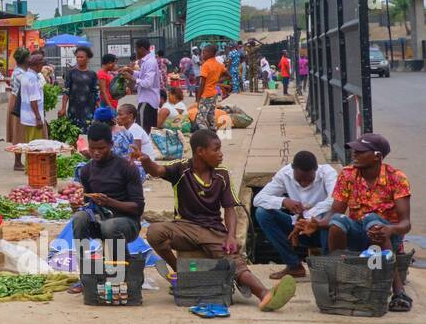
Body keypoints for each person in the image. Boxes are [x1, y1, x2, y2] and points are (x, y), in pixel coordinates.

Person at [136, 131, 296, 312]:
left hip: (213, 230)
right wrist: (145, 160)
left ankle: (264, 294)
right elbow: (157, 171)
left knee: (234, 261)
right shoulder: (181, 169)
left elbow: (229, 209)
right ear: (200, 152)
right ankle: (178, 271)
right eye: (216, 149)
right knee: (154, 232)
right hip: (184, 226)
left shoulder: (222, 174)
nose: (221, 154)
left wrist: (231, 237)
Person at [319, 133, 412, 312]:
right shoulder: (348, 174)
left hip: (386, 237)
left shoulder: (397, 178)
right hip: (359, 234)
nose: (354, 154)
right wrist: (316, 222)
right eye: (354, 150)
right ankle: (342, 283)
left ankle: (398, 291)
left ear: (377, 156)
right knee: (337, 222)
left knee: (372, 220)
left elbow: (406, 223)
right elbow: (335, 212)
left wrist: (390, 229)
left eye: (361, 151)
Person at [66, 122, 146, 293]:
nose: (96, 152)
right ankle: (87, 276)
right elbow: (89, 203)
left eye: (101, 148)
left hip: (127, 222)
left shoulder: (127, 168)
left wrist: (109, 202)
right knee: (79, 219)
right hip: (100, 218)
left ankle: (121, 273)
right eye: (93, 147)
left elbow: (138, 208)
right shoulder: (86, 170)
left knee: (110, 226)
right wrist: (78, 205)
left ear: (111, 145)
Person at [253, 150, 337, 280]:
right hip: (297, 229)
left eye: (308, 180)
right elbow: (258, 199)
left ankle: (328, 269)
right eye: (300, 180)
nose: (304, 184)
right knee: (262, 213)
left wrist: (307, 218)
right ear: (293, 170)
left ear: (316, 170)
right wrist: (283, 201)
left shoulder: (328, 173)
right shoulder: (285, 174)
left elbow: (334, 201)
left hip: (322, 229)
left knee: (330, 214)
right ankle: (293, 266)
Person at [59, 46, 99, 131]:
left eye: (81, 57)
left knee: (88, 132)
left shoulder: (92, 74)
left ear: (88, 59)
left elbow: (95, 93)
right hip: (74, 109)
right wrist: (63, 108)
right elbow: (66, 91)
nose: (79, 59)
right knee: (73, 133)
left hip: (89, 109)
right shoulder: (71, 73)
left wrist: (98, 109)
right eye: (77, 57)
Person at [193, 43, 231, 132]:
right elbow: (228, 76)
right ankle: (213, 131)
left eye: (204, 53)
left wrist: (198, 99)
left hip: (206, 94)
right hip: (214, 93)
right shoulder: (219, 64)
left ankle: (206, 135)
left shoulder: (206, 65)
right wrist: (217, 80)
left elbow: (202, 84)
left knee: (200, 119)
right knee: (210, 115)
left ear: (210, 53)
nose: (202, 55)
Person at [7, 47, 31, 170]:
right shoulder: (19, 73)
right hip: (18, 102)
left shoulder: (23, 71)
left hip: (20, 100)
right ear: (25, 59)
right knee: (19, 130)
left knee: (22, 130)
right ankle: (17, 162)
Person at [132, 39, 161, 133]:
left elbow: (147, 83)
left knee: (142, 130)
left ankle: (143, 147)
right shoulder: (147, 61)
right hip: (148, 100)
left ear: (142, 49)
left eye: (136, 49)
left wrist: (132, 79)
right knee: (147, 129)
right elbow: (143, 75)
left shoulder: (150, 62)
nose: (135, 52)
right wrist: (132, 72)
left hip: (147, 100)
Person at [17, 53, 47, 141]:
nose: (42, 67)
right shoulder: (33, 78)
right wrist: (38, 118)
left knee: (29, 143)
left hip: (27, 117)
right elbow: (33, 100)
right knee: (35, 147)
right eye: (42, 64)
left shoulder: (26, 75)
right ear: (37, 65)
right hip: (33, 119)